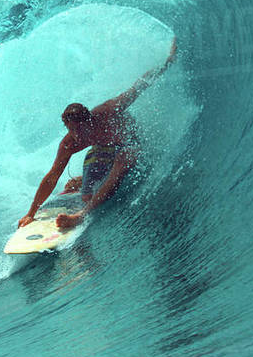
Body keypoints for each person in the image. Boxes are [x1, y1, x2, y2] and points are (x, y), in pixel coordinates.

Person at [18, 38, 177, 231]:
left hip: (131, 144)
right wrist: (30, 213)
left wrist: (167, 61)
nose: (76, 135)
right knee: (86, 195)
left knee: (124, 157)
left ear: (89, 121)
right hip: (104, 149)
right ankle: (81, 181)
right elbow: (52, 176)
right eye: (71, 130)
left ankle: (80, 216)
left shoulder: (108, 111)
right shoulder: (70, 143)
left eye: (79, 129)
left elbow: (140, 85)